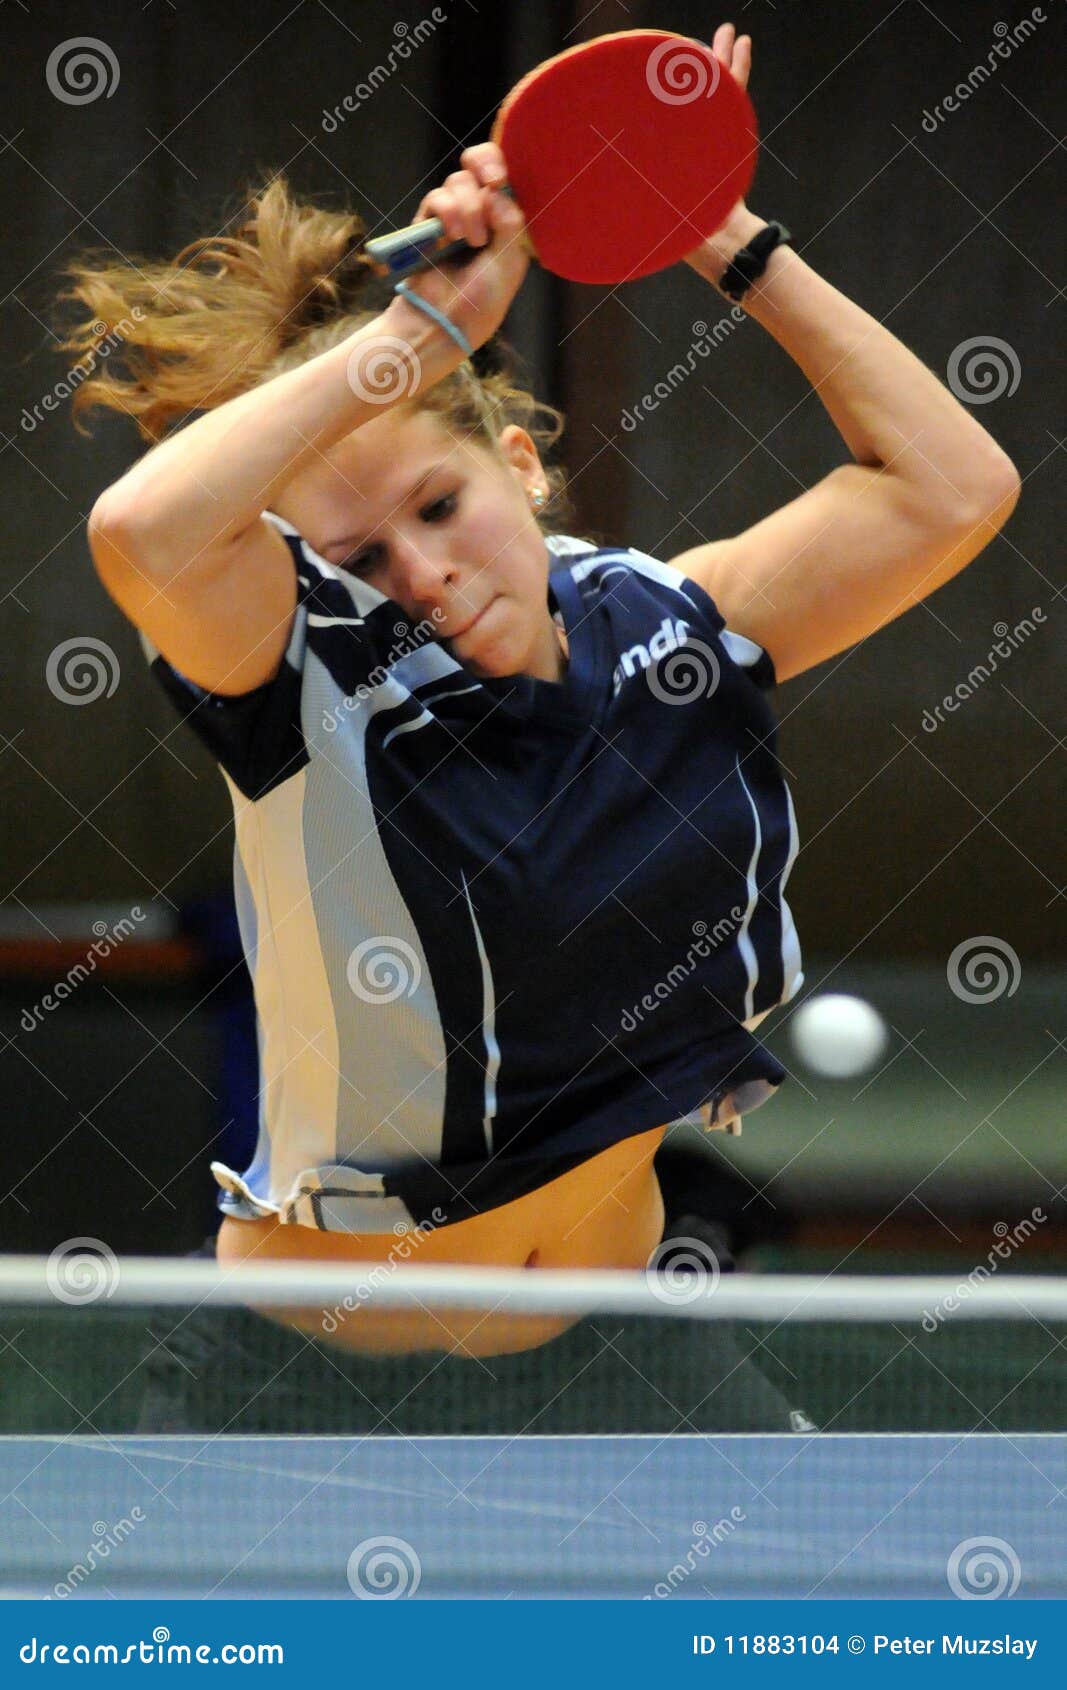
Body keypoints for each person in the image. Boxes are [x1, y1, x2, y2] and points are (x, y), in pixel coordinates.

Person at [60, 26, 1018, 1428]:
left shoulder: (681, 631)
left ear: (521, 465)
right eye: (366, 553)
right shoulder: (298, 679)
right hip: (293, 1389)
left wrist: (718, 233)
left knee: (858, 1637)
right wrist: (418, 336)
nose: (423, 573)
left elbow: (954, 487)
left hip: (620, 1357)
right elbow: (139, 528)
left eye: (439, 510)